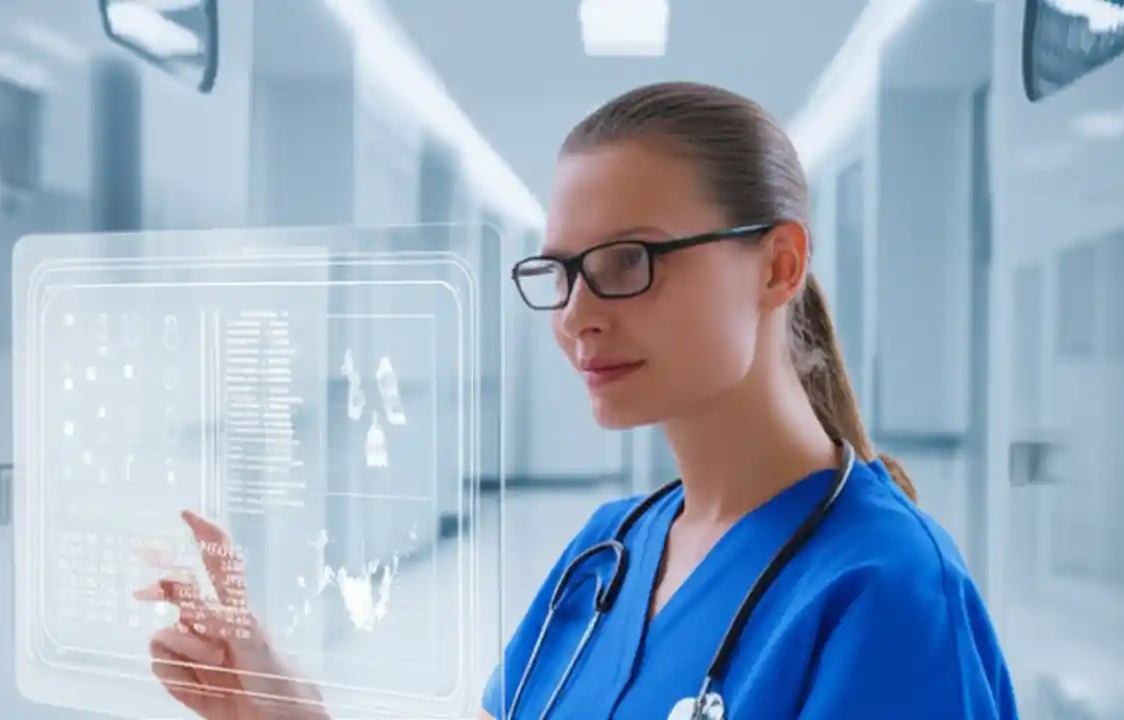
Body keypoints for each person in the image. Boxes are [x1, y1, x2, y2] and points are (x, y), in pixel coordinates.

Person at [137, 81, 1017, 719]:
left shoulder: (887, 593)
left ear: (779, 264)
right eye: (559, 271)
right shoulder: (607, 553)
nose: (576, 316)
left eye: (630, 260)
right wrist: (283, 709)